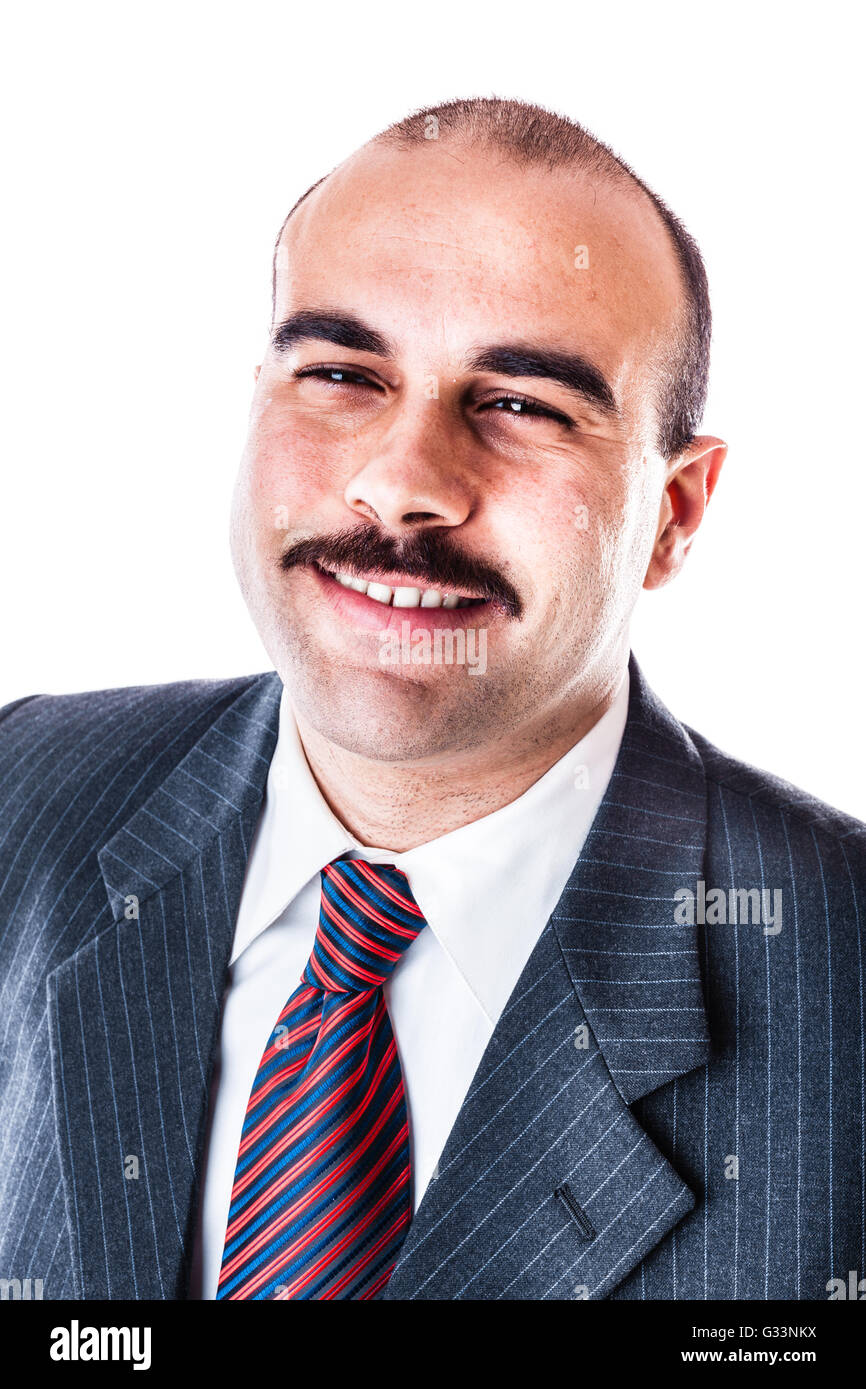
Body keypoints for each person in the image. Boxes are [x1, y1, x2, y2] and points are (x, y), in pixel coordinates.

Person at [1, 97, 863, 1302]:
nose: (402, 484)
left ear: (673, 514)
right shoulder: (21, 795)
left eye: (520, 404)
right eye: (343, 373)